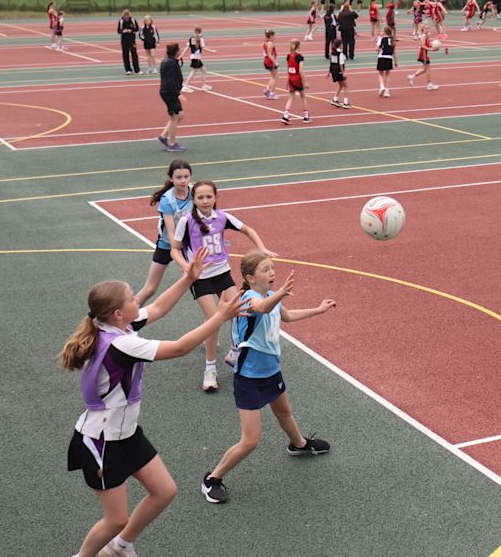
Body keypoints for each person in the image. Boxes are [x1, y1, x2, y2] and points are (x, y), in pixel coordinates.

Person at [61, 248, 247, 557]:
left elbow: (159, 307)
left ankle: (121, 547)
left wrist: (187, 277)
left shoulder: (119, 327)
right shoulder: (122, 343)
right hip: (101, 441)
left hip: (126, 433)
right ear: (118, 312)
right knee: (115, 518)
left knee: (164, 492)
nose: (138, 300)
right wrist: (219, 316)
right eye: (132, 298)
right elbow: (179, 348)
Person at [199, 252, 336, 504]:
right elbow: (261, 309)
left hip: (271, 370)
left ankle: (299, 444)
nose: (272, 273)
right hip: (249, 377)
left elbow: (286, 315)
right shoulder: (246, 299)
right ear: (250, 278)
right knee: (250, 441)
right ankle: (213, 479)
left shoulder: (271, 296)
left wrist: (318, 310)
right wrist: (282, 293)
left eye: (272, 268)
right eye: (265, 269)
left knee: (284, 411)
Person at [171, 180, 277, 392]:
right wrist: (186, 267)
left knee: (241, 311)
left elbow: (248, 229)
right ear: (194, 199)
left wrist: (262, 248)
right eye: (200, 197)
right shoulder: (186, 221)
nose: (205, 200)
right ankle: (210, 369)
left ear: (215, 197)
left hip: (222, 272)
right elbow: (174, 249)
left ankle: (234, 352)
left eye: (209, 196)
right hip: (200, 277)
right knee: (214, 321)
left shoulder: (223, 217)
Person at [136, 159, 195, 304]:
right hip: (168, 245)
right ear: (171, 178)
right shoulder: (167, 200)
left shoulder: (195, 192)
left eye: (186, 177)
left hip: (189, 245)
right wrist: (182, 261)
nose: (183, 180)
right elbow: (171, 232)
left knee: (201, 283)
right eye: (179, 177)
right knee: (150, 289)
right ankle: (126, 315)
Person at [156, 43, 185, 152]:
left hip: (168, 91)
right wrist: (178, 94)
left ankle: (163, 137)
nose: (180, 51)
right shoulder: (170, 63)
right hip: (169, 92)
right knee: (175, 117)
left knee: (180, 115)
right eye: (179, 50)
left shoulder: (169, 61)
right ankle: (172, 143)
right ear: (176, 51)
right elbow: (170, 81)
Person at [281, 39, 310, 125]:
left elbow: (288, 70)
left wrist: (287, 82)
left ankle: (285, 116)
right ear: (298, 46)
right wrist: (305, 82)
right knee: (303, 97)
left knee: (290, 98)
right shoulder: (299, 57)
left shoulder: (288, 56)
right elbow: (301, 71)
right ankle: (306, 117)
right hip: (297, 79)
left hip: (291, 78)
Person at [178, 27, 212, 92]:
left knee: (203, 70)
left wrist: (181, 55)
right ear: (201, 31)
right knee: (193, 72)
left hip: (193, 57)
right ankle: (186, 86)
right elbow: (203, 48)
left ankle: (204, 85)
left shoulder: (191, 38)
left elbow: (187, 47)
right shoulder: (201, 38)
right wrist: (212, 51)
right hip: (197, 57)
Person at [376, 25, 397, 98]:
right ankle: (387, 91)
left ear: (384, 32)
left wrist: (378, 51)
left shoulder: (381, 39)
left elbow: (377, 48)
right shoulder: (392, 40)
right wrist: (396, 61)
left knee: (380, 73)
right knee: (387, 75)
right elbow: (394, 52)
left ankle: (382, 86)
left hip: (381, 57)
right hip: (389, 58)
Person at [328, 36, 350, 108]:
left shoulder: (332, 53)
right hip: (339, 71)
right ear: (340, 45)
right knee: (345, 86)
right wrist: (343, 73)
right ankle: (346, 103)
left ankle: (335, 99)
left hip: (334, 71)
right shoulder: (340, 53)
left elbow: (331, 63)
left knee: (340, 85)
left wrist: (329, 72)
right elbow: (341, 64)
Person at [118, 9, 141, 76]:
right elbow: (119, 30)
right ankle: (128, 69)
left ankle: (137, 70)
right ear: (123, 15)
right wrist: (123, 31)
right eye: (125, 15)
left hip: (132, 39)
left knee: (134, 54)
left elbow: (137, 29)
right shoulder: (121, 21)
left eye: (128, 15)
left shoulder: (133, 20)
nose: (127, 16)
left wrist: (131, 30)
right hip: (124, 40)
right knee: (125, 54)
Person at [261, 29, 279, 99]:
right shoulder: (270, 43)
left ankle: (267, 90)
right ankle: (272, 93)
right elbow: (269, 54)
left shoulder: (266, 42)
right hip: (270, 61)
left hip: (267, 61)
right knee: (275, 77)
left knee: (273, 76)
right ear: (271, 36)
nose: (274, 37)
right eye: (274, 36)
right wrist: (275, 62)